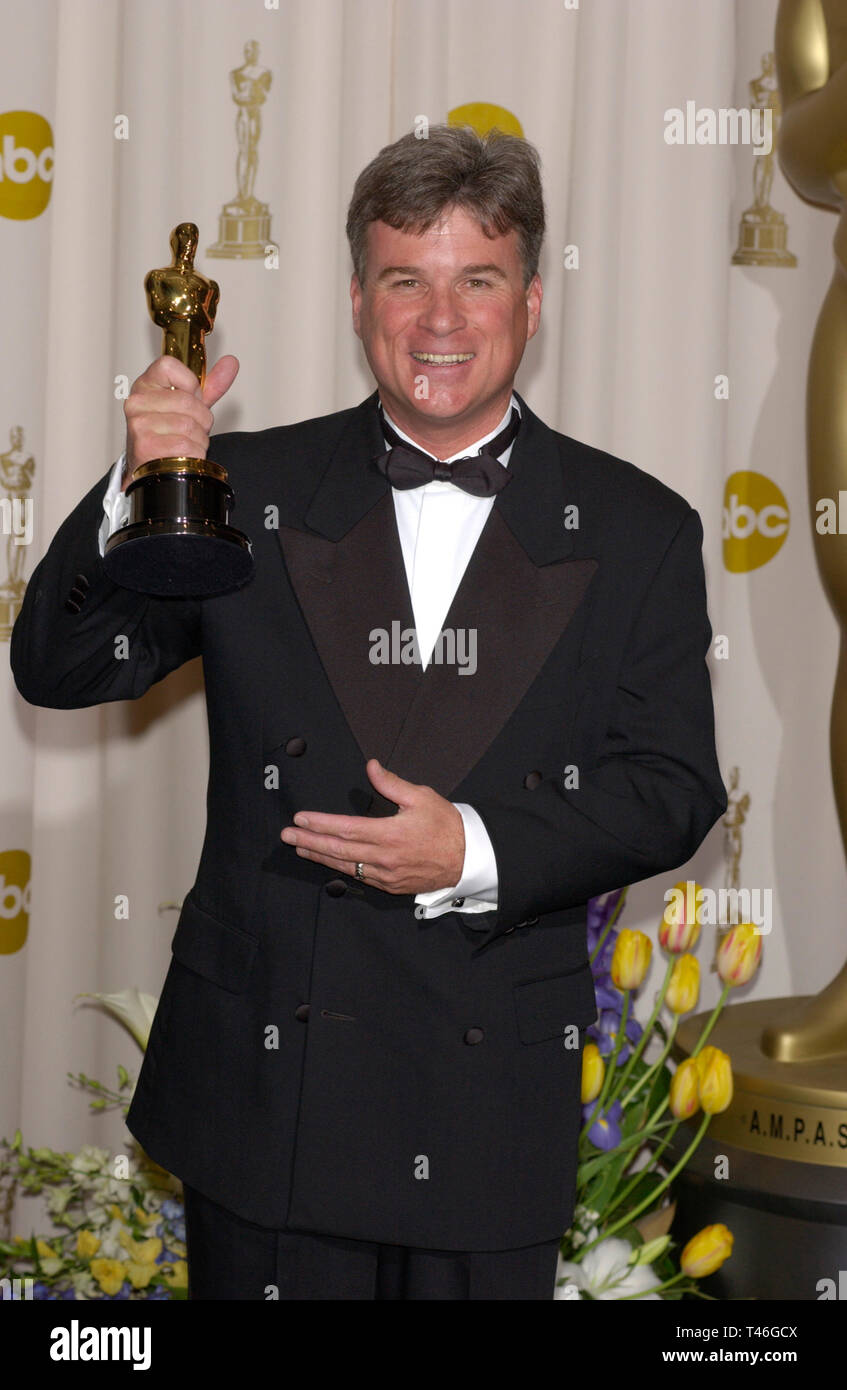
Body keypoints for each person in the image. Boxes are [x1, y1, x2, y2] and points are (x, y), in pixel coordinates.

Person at [10, 125, 727, 1300]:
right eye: (406, 280)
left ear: (532, 302)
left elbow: (671, 785)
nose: (439, 320)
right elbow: (63, 666)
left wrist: (477, 849)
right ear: (357, 301)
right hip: (269, 1098)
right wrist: (140, 480)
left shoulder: (636, 527)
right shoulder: (249, 489)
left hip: (489, 1104)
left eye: (475, 280)